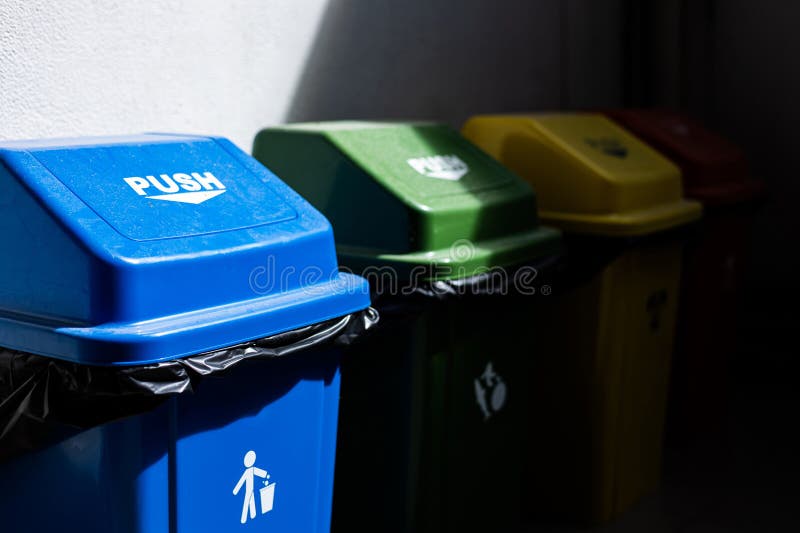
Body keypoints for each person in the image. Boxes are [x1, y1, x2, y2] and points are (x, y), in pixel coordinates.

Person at [233, 450, 268, 524]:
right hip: (248, 489)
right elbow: (241, 481)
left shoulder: (253, 469)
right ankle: (244, 518)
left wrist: (265, 474)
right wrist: (235, 490)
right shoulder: (248, 471)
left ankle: (252, 515)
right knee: (247, 501)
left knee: (251, 500)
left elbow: (259, 472)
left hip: (251, 489)